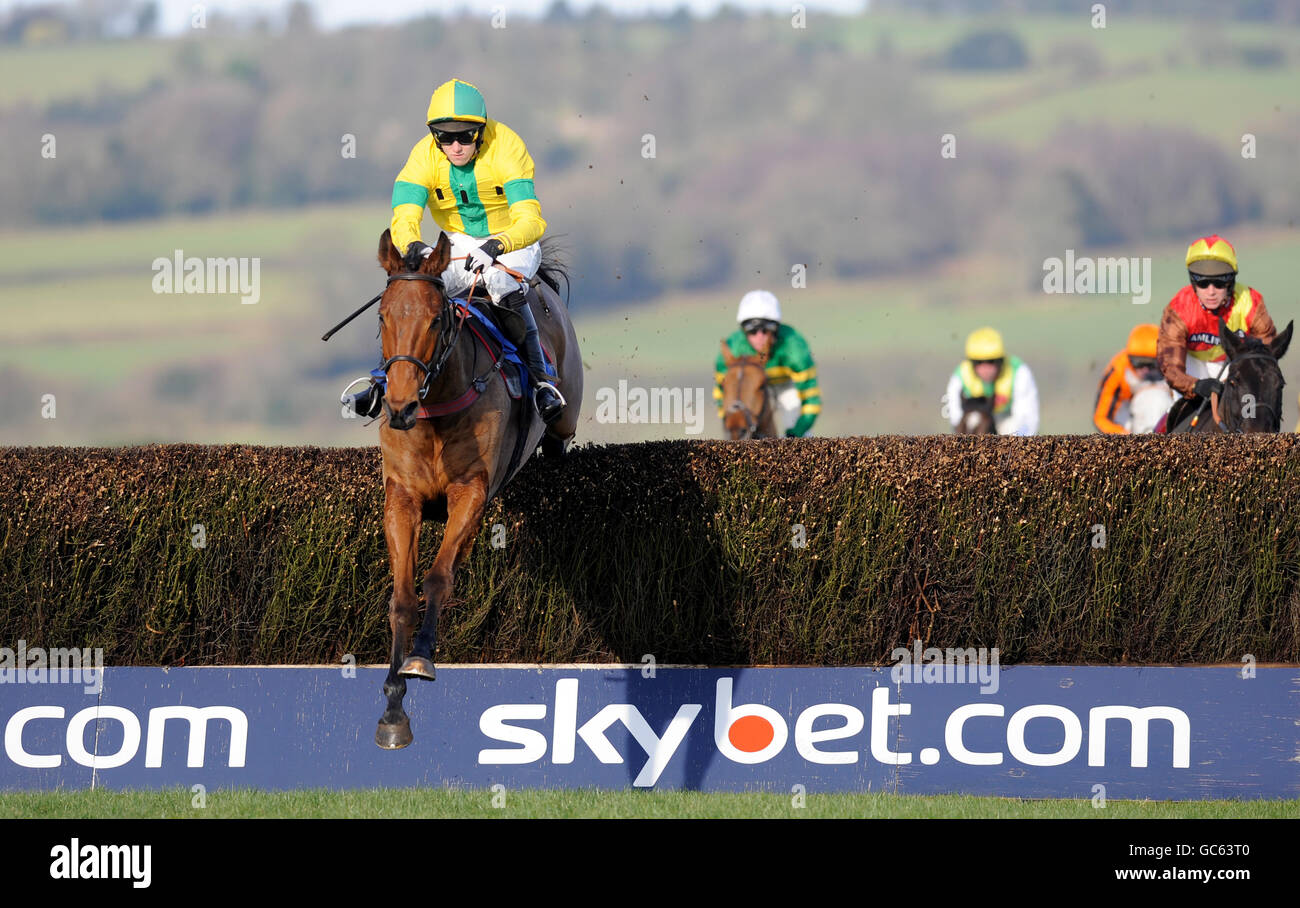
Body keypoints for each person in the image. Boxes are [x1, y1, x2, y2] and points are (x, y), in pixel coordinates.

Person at [345, 78, 563, 423]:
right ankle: (380, 382)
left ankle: (541, 383)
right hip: (458, 242)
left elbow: (532, 221)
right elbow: (403, 217)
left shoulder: (507, 147)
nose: (456, 146)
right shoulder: (422, 158)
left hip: (512, 242)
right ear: (434, 135)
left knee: (498, 281)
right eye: (445, 137)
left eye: (466, 135)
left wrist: (496, 246)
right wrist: (414, 246)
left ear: (482, 129)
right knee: (415, 288)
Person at [1156, 234, 1277, 432]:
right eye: (1203, 283)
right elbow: (1170, 367)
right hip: (1191, 366)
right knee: (1172, 416)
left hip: (1235, 365)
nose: (1211, 291)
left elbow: (1267, 357)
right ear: (1193, 281)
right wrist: (1195, 386)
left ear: (1231, 282)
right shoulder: (1179, 308)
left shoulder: (1250, 303)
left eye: (1219, 283)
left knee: (1255, 416)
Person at [713, 290, 820, 437]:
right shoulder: (733, 348)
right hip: (752, 388)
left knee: (793, 408)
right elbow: (722, 395)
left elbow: (811, 400)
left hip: (787, 386)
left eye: (766, 329)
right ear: (744, 331)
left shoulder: (794, 348)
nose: (760, 336)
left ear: (776, 329)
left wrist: (796, 434)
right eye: (753, 330)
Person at [945, 327, 1039, 435]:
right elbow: (955, 418)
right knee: (973, 420)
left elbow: (1028, 420)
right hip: (977, 427)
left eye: (991, 361)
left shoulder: (1019, 372)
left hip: (1006, 423)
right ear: (971, 363)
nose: (986, 369)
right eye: (979, 362)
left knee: (1013, 428)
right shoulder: (960, 376)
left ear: (1001, 361)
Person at [1093, 324, 1162, 434]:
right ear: (1129, 358)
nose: (1144, 369)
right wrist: (1124, 437)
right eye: (1138, 363)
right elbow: (1101, 418)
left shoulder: (1175, 366)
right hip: (1126, 420)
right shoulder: (1118, 369)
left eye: (1151, 364)